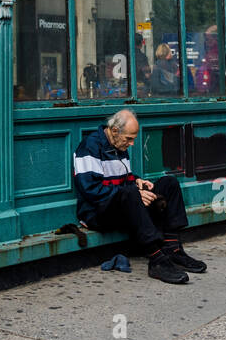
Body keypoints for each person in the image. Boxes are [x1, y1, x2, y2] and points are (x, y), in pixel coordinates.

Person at [73, 108, 206, 284]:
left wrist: (137, 181)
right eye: (129, 139)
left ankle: (173, 249)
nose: (132, 144)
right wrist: (135, 193)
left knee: (169, 183)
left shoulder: (119, 144)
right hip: (97, 214)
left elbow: (123, 180)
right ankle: (156, 260)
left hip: (123, 205)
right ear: (114, 131)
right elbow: (91, 190)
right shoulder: (89, 147)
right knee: (129, 193)